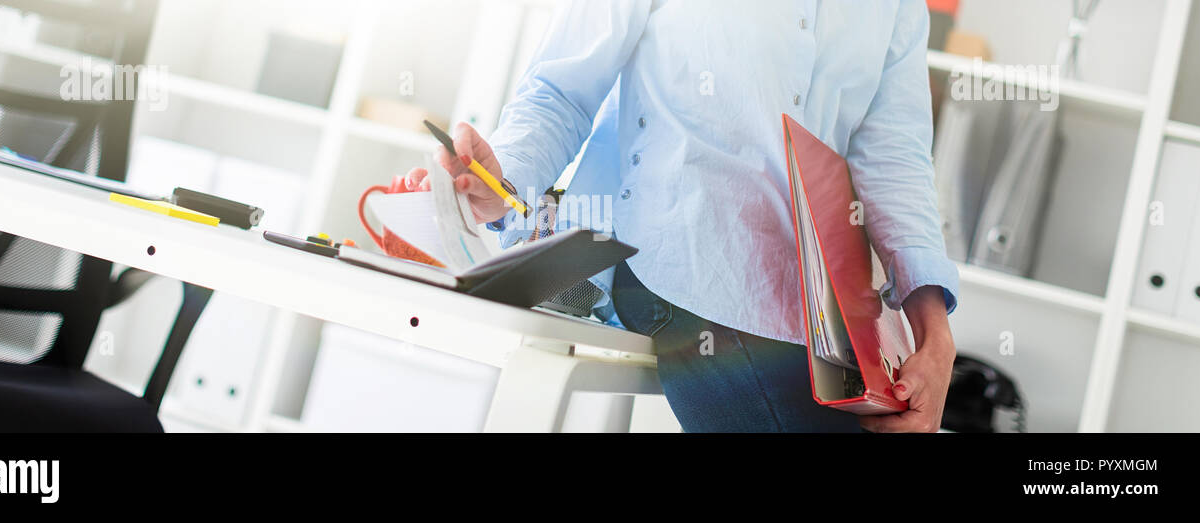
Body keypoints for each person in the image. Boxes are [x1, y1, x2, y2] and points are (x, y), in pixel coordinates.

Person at [406, 0, 959, 432]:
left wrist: (933, 330)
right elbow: (560, 92)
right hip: (679, 262)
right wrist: (503, 181)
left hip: (824, 313)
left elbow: (895, 161)